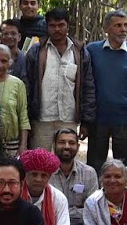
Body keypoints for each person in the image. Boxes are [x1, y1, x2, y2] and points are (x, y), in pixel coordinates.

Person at [80, 9, 127, 166]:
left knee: (124, 163)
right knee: (95, 162)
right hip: (98, 118)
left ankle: (123, 191)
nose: (123, 29)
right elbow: (86, 83)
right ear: (106, 29)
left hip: (124, 118)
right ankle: (96, 190)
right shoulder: (92, 50)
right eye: (118, 25)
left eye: (125, 25)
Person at [23, 9, 85, 151]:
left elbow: (87, 86)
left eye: (61, 25)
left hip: (68, 118)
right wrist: (28, 118)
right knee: (40, 159)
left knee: (65, 158)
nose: (57, 29)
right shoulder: (36, 51)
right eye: (52, 25)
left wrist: (86, 121)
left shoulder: (79, 51)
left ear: (68, 26)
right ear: (47, 27)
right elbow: (28, 86)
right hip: (41, 119)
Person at [48, 127, 99, 225]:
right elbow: (45, 211)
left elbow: (93, 211)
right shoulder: (45, 173)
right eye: (62, 142)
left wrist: (61, 212)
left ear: (78, 146)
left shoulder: (89, 173)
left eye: (71, 143)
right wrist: (78, 211)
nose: (67, 146)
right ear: (54, 145)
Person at [0, 44, 29, 155]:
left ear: (10, 63)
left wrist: (23, 145)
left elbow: (23, 116)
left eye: (4, 61)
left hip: (11, 144)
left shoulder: (18, 84)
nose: (0, 65)